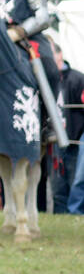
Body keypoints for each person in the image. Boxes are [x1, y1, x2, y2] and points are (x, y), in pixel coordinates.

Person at [52, 40, 84, 214]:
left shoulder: (78, 79)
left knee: (76, 181)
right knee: (57, 186)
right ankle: (60, 217)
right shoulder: (48, 80)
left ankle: (76, 214)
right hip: (54, 141)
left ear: (60, 55)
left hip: (75, 141)